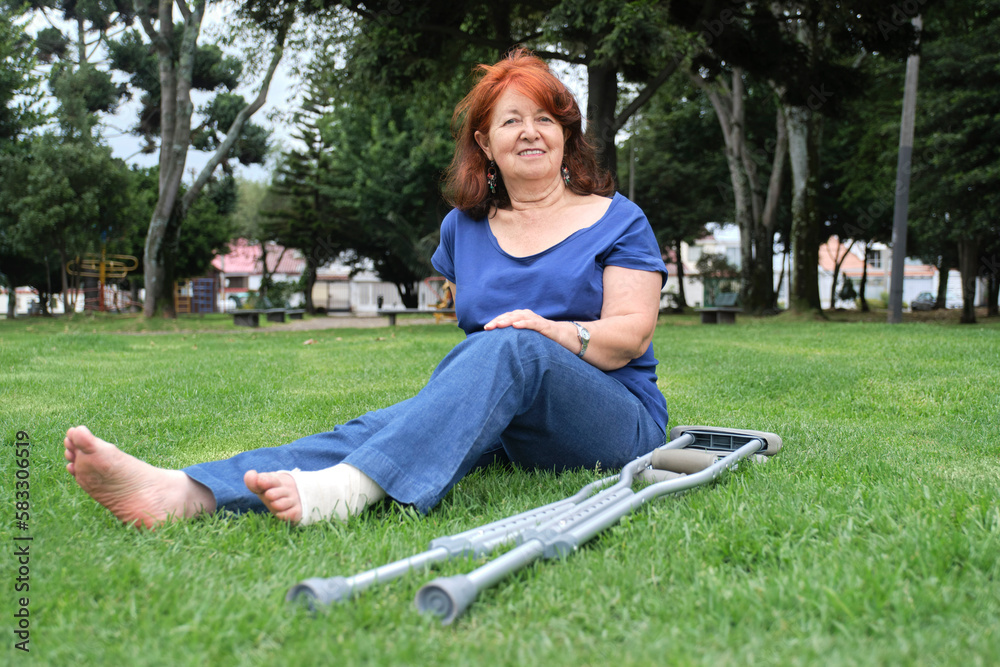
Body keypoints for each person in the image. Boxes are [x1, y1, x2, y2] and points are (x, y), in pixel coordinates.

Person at [63, 49, 669, 529]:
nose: (530, 132)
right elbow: (477, 340)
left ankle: (349, 491)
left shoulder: (617, 219)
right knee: (374, 426)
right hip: (514, 421)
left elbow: (628, 335)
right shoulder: (465, 228)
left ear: (566, 134)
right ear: (485, 143)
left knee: (514, 342)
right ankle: (184, 492)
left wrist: (551, 333)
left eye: (545, 119)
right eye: (511, 120)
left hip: (613, 420)